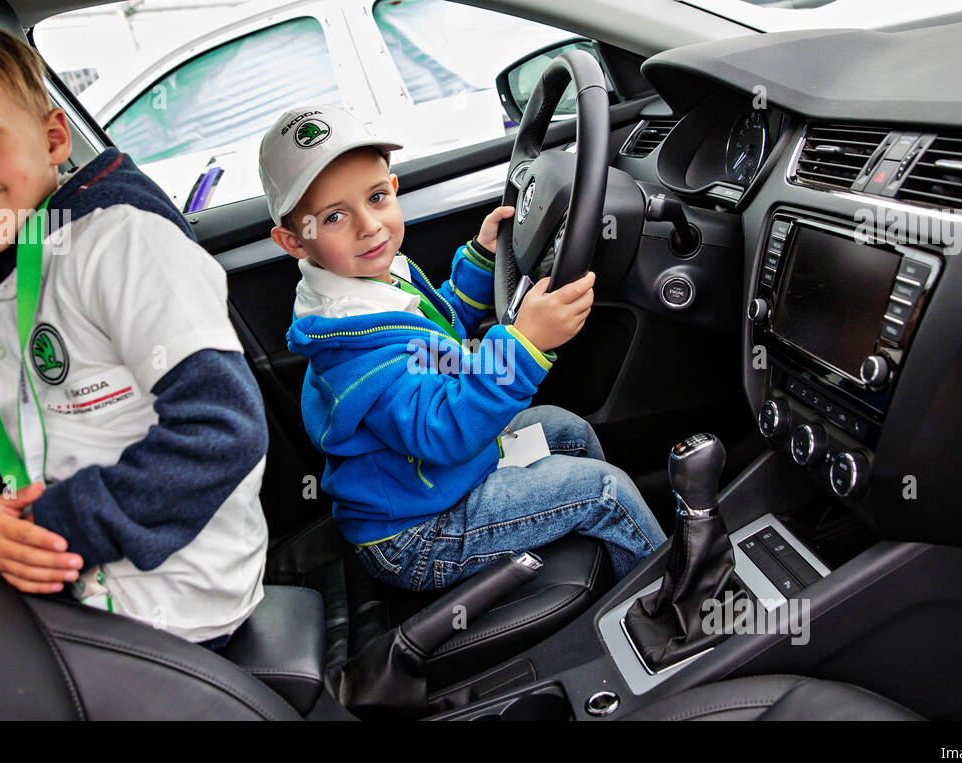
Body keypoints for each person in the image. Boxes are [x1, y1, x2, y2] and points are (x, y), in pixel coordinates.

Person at [0, 23, 268, 647]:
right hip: (54, 608)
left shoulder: (121, 245)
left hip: (177, 604)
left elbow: (222, 429)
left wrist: (55, 525)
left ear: (54, 138)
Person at [261, 105, 665, 591]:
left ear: (393, 188)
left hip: (435, 483)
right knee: (606, 490)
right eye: (334, 217)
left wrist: (479, 261)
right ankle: (669, 605)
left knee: (568, 430)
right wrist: (525, 345)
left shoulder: (368, 284)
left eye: (375, 197)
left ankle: (602, 558)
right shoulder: (352, 348)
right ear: (293, 241)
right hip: (418, 534)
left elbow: (434, 340)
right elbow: (443, 429)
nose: (369, 226)